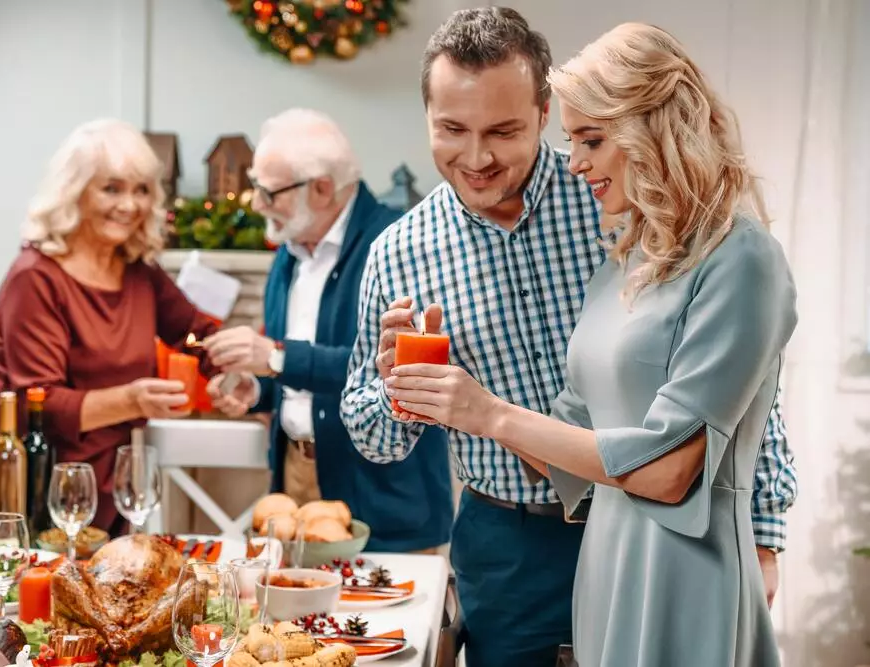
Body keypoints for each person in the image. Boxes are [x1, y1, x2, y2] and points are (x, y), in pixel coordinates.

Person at [341, 9, 798, 667]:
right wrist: (398, 390)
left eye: (502, 131)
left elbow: (740, 384)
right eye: (451, 130)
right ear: (427, 117)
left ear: (542, 110)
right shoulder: (398, 253)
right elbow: (374, 441)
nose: (475, 157)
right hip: (510, 545)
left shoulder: (622, 197)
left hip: (671, 530)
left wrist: (764, 532)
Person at [0, 119, 219, 550]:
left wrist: (231, 370)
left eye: (141, 190)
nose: (129, 205)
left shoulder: (139, 272)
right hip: (22, 470)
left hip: (99, 471)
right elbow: (43, 404)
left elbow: (195, 334)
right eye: (112, 188)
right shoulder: (35, 277)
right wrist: (133, 400)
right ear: (74, 192)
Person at [203, 109, 453, 553]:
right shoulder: (290, 247)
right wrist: (258, 390)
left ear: (320, 188)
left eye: (266, 191)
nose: (256, 204)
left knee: (386, 621)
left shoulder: (398, 244)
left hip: (382, 494)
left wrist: (277, 357)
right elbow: (298, 374)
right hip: (295, 476)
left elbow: (392, 372)